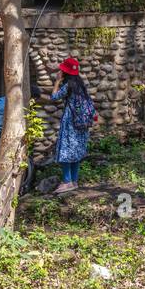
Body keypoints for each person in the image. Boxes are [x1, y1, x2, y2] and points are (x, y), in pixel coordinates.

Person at [50, 56, 96, 194]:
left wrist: (57, 81)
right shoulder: (81, 85)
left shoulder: (68, 86)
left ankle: (67, 181)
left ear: (65, 72)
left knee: (65, 151)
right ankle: (74, 181)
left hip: (70, 122)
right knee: (75, 152)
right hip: (81, 124)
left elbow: (54, 97)